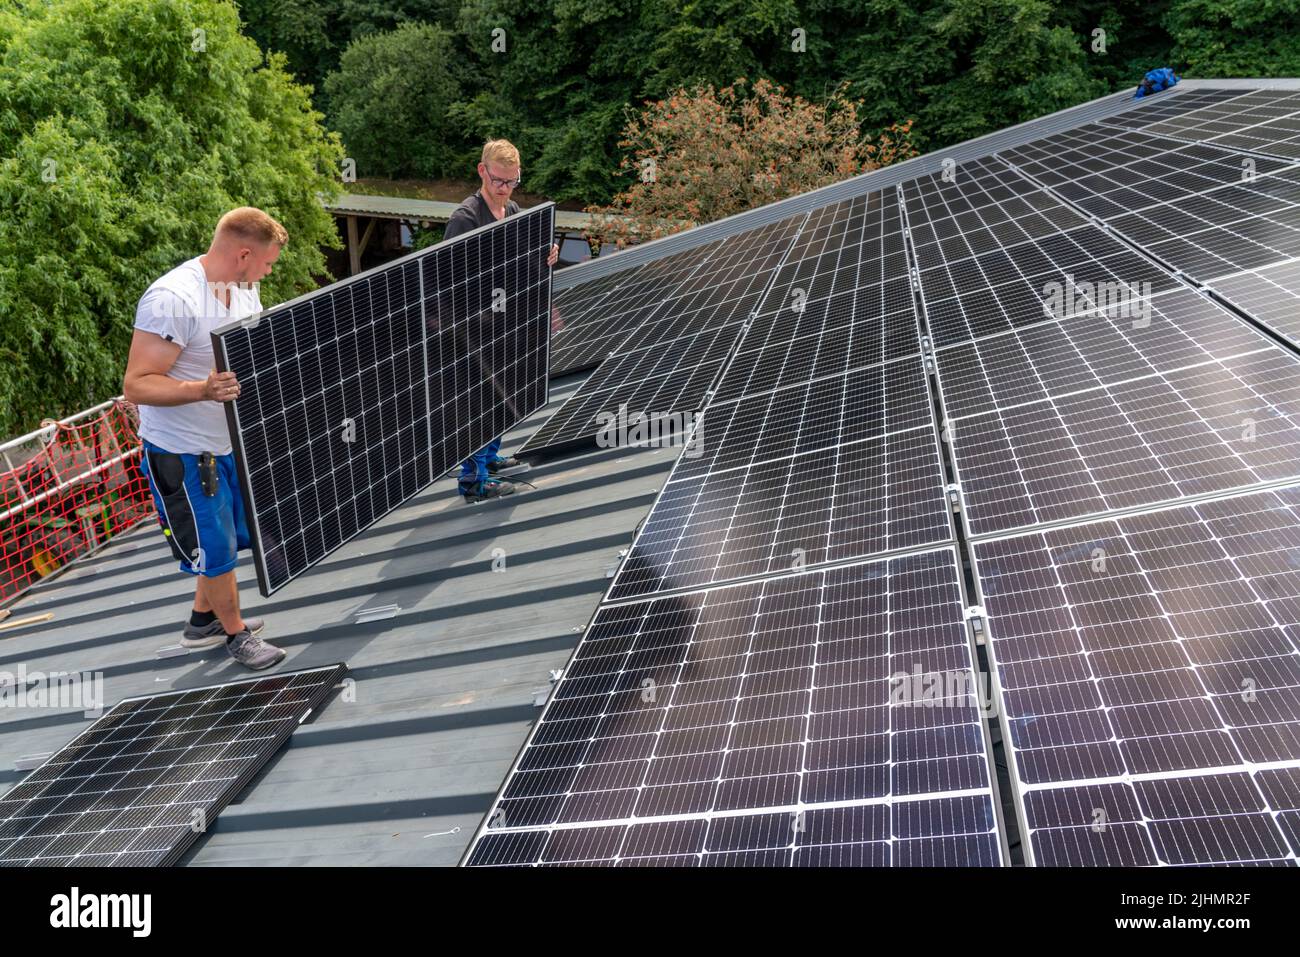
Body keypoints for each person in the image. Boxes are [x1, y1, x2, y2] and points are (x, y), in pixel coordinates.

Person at [123, 207, 288, 670]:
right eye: (267, 262)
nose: (270, 271)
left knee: (226, 537)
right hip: (183, 452)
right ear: (242, 254)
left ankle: (202, 619)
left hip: (227, 442)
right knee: (213, 546)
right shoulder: (173, 299)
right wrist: (201, 389)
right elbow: (136, 383)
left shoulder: (244, 290)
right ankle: (236, 635)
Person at [444, 139, 559, 503]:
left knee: (500, 394)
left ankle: (490, 459)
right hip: (472, 327)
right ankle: (473, 481)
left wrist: (548, 256)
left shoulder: (511, 210)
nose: (506, 189)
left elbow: (520, 266)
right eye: (499, 181)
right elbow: (447, 280)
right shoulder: (465, 219)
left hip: (505, 325)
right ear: (482, 172)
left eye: (513, 181)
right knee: (477, 400)